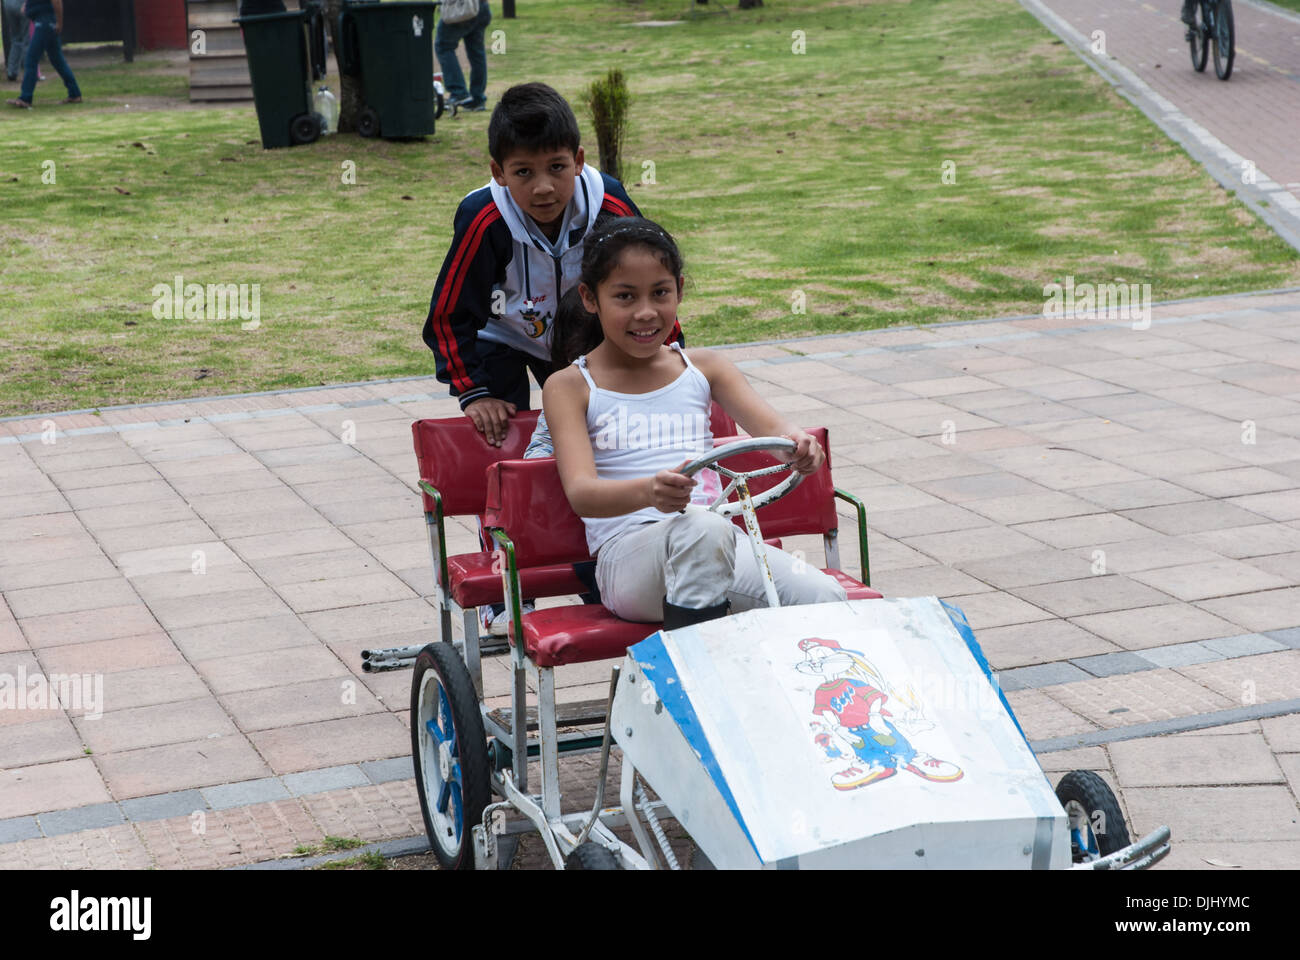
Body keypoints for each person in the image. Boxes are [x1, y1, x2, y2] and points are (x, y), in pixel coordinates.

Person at [543, 217, 847, 628]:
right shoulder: (571, 385)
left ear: (679, 290)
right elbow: (582, 494)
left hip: (718, 541)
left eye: (660, 293)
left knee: (826, 596)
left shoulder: (705, 367)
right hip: (628, 560)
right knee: (702, 529)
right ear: (590, 298)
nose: (646, 312)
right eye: (625, 297)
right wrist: (649, 492)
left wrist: (798, 446)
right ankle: (695, 675)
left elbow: (775, 435)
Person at [7, 0, 80, 109]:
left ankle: (25, 98)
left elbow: (57, 2)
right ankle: (75, 93)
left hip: (45, 22)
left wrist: (59, 22)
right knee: (57, 60)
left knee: (31, 59)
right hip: (44, 20)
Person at [435, 0, 490, 112]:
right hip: (481, 7)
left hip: (460, 8)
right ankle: (477, 98)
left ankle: (458, 92)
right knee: (477, 53)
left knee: (443, 46)